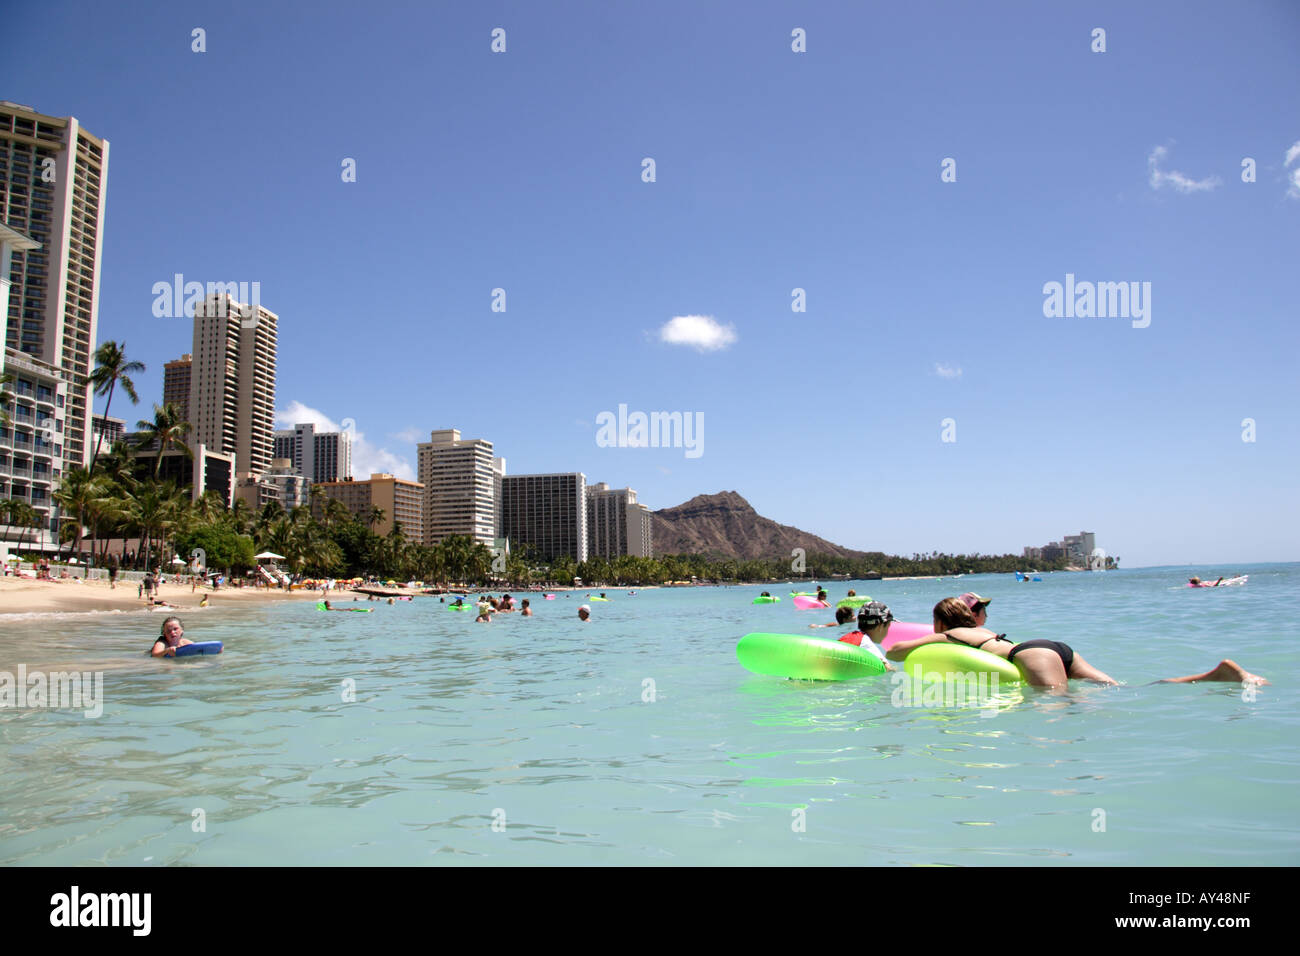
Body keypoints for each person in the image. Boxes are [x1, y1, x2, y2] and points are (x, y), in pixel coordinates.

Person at [888, 597, 1267, 689]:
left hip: (1031, 655)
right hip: (1051, 647)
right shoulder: (983, 631)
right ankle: (1214, 676)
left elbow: (897, 652)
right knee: (1119, 690)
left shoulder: (949, 634)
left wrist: (915, 640)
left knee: (1057, 707)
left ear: (941, 621)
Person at [836, 601, 896, 671]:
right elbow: (889, 670)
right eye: (888, 626)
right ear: (881, 626)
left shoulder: (850, 637)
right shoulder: (866, 644)